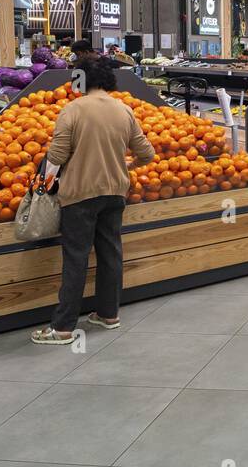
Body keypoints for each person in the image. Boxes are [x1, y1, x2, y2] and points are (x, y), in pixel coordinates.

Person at [32, 60, 156, 344]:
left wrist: (46, 181)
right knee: (111, 252)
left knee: (76, 257)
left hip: (80, 194)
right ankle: (108, 314)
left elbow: (57, 154)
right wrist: (127, 166)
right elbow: (147, 153)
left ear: (81, 81)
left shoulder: (72, 110)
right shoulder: (124, 110)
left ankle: (63, 328)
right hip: (115, 193)